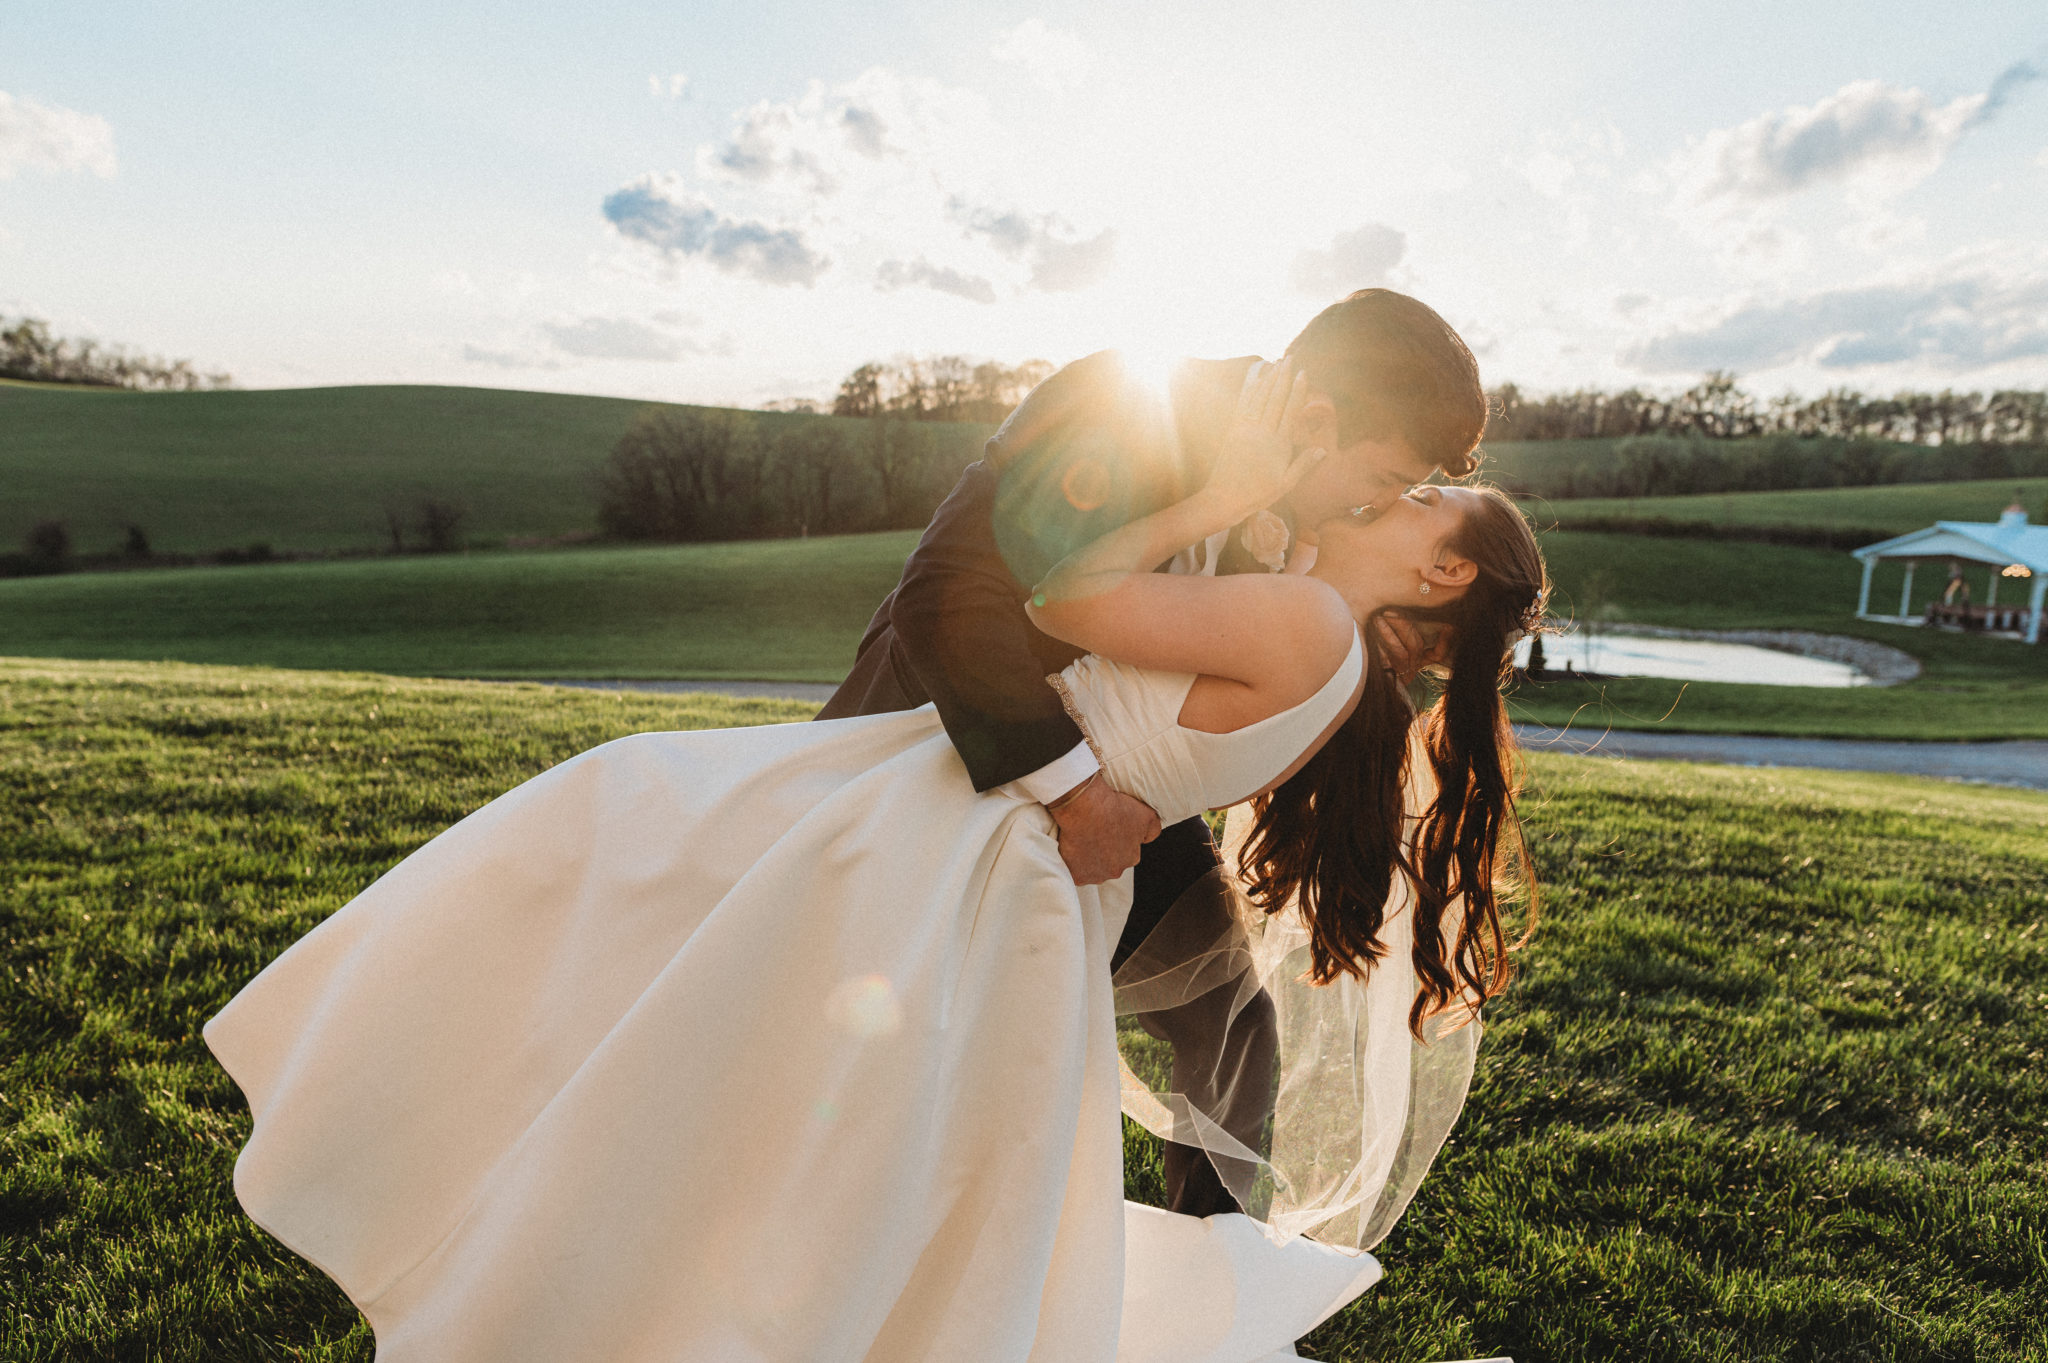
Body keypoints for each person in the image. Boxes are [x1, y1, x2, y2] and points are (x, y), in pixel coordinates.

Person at [204, 361, 1547, 1363]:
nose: (1394, 491)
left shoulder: (1305, 607)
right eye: (1409, 465)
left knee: (699, 971)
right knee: (910, 1153)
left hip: (975, 850)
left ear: (1437, 574)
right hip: (1004, 851)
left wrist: (1222, 505)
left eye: (1425, 496)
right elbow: (952, 587)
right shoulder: (1312, 621)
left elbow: (1063, 602)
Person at [819, 288, 1488, 1219]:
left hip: (1110, 800)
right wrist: (1078, 793)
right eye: (1379, 477)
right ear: (1322, 418)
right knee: (871, 1031)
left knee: (1233, 1021)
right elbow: (950, 596)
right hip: (936, 744)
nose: (1374, 504)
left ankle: (1216, 1287)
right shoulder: (1124, 406)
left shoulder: (1300, 510)